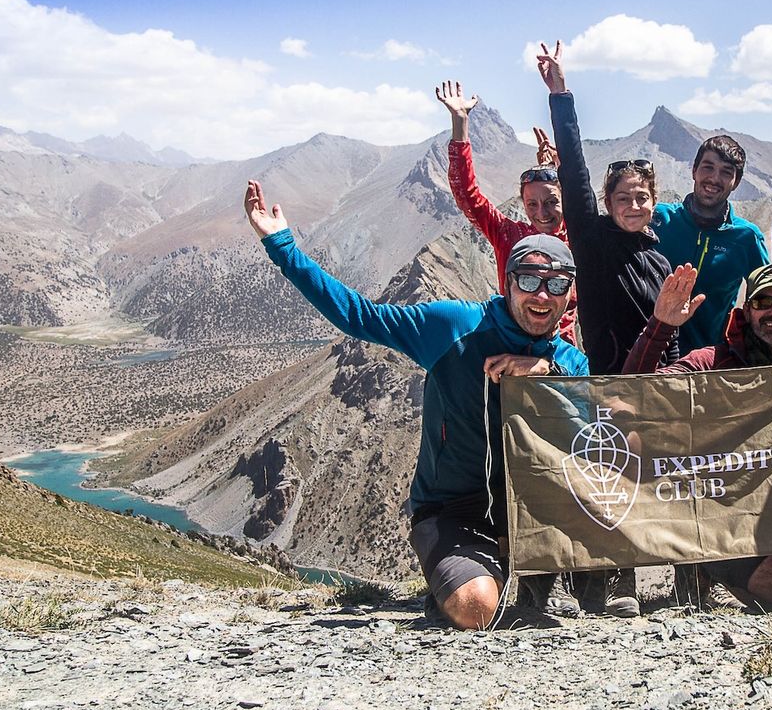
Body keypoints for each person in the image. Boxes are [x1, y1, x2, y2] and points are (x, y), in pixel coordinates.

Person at [244, 179, 588, 631]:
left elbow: (604, 433)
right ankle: (469, 581)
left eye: (555, 284)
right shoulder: (454, 326)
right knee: (476, 609)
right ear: (507, 282)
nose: (541, 296)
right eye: (528, 281)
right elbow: (360, 317)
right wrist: (281, 245)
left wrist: (548, 372)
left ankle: (544, 573)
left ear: (568, 295)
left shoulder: (570, 360)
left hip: (530, 511)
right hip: (453, 510)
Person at [538, 39, 672, 617]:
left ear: (653, 201)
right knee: (612, 473)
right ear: (609, 203)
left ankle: (661, 579)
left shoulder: (661, 259)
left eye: (642, 198)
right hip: (610, 382)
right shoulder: (591, 244)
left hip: (659, 383)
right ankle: (612, 583)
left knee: (651, 475)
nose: (634, 206)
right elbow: (573, 172)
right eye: (623, 198)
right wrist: (561, 96)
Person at [621, 263, 772, 610]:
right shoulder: (710, 363)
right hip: (709, 512)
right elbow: (633, 392)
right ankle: (701, 563)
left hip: (770, 513)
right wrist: (662, 325)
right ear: (746, 311)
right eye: (763, 303)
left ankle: (721, 577)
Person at [436, 79, 575, 343]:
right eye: (532, 204)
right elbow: (468, 196)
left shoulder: (578, 238)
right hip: (512, 349)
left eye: (551, 202)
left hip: (563, 358)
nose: (542, 212)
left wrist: (562, 167)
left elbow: (581, 199)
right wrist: (460, 124)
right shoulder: (511, 237)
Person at [652, 135, 771, 352]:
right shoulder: (659, 219)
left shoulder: (746, 238)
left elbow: (769, 298)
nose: (715, 179)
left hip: (707, 365)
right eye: (708, 167)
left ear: (736, 182)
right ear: (694, 170)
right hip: (647, 353)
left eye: (726, 172)